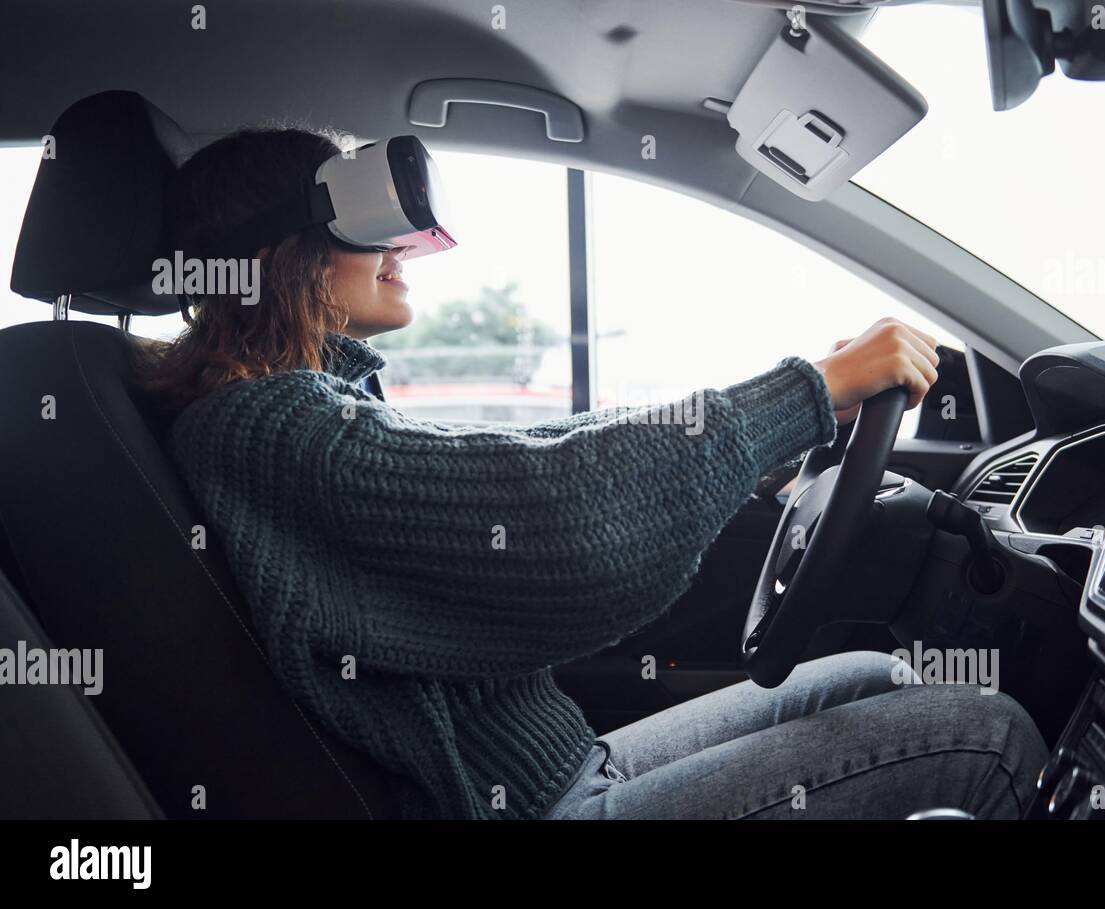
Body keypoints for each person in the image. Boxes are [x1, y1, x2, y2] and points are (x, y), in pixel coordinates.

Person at [135, 126, 1047, 820]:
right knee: (989, 738)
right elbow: (548, 513)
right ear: (269, 260)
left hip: (556, 770)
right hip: (542, 806)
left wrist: (767, 439)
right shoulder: (265, 428)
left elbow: (533, 452)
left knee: (878, 678)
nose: (404, 246)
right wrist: (812, 390)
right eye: (365, 220)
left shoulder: (301, 404)